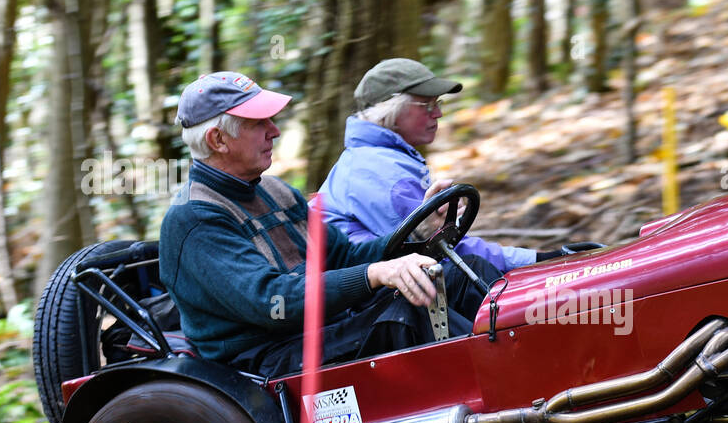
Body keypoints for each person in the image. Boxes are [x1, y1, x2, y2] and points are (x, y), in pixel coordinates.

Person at [159, 71, 497, 378]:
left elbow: (344, 256)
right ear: (218, 140)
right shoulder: (194, 220)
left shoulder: (275, 191)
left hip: (322, 330)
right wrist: (376, 274)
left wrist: (419, 233)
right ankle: (500, 388)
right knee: (411, 312)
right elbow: (272, 302)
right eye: (259, 123)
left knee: (458, 275)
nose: (274, 131)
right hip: (268, 361)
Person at [314, 58, 559, 271]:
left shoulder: (373, 158)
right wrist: (537, 260)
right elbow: (443, 252)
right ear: (389, 110)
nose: (437, 114)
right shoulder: (381, 173)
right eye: (427, 105)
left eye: (438, 103)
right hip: (364, 310)